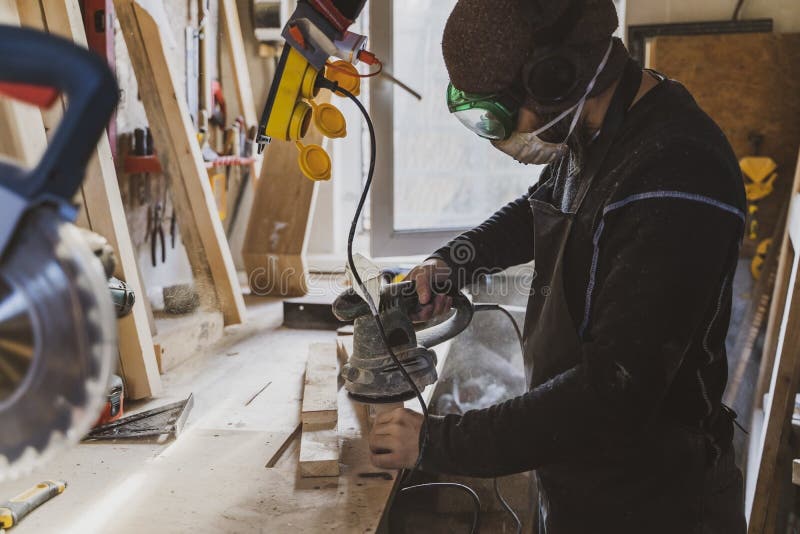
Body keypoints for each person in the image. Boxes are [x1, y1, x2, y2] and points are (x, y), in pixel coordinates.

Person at [367, 0, 748, 532]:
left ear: (553, 79)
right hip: (584, 475)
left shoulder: (677, 176)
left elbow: (612, 391)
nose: (497, 139)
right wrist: (451, 263)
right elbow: (540, 208)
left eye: (495, 116)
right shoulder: (597, 130)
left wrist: (436, 441)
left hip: (653, 503)